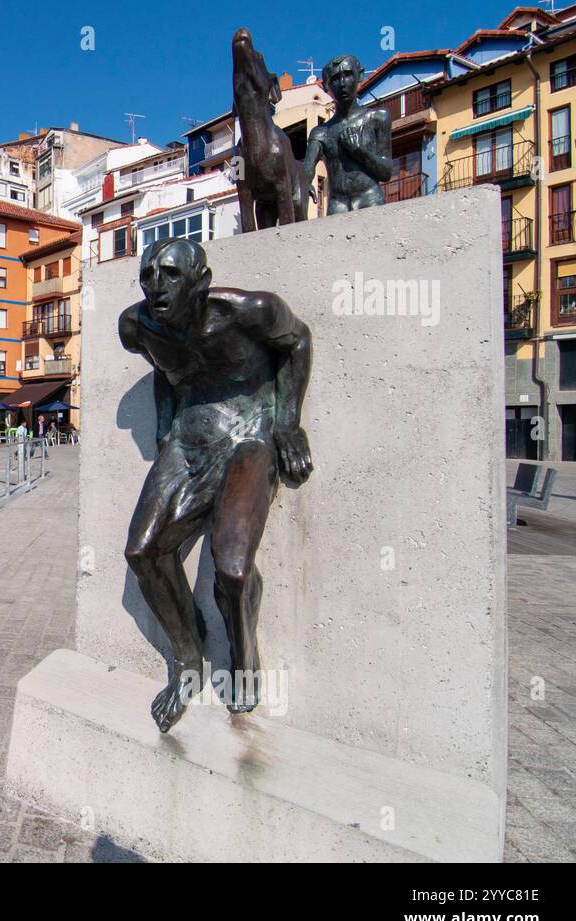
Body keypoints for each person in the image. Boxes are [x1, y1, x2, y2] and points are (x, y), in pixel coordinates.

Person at [119, 236, 312, 732]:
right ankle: (188, 656)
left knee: (232, 568)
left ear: (200, 282)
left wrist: (288, 421)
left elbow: (300, 342)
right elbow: (165, 370)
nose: (156, 286)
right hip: (189, 439)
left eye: (171, 274)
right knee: (142, 551)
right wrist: (164, 427)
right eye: (147, 275)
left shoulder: (253, 311)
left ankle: (244, 655)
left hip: (250, 436)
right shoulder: (136, 326)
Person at [303, 54, 392, 214]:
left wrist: (358, 151)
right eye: (335, 78)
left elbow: (386, 173)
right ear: (326, 86)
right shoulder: (321, 133)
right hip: (338, 205)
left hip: (370, 200)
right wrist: (304, 181)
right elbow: (307, 169)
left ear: (360, 75)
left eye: (348, 75)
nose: (342, 84)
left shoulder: (377, 117)